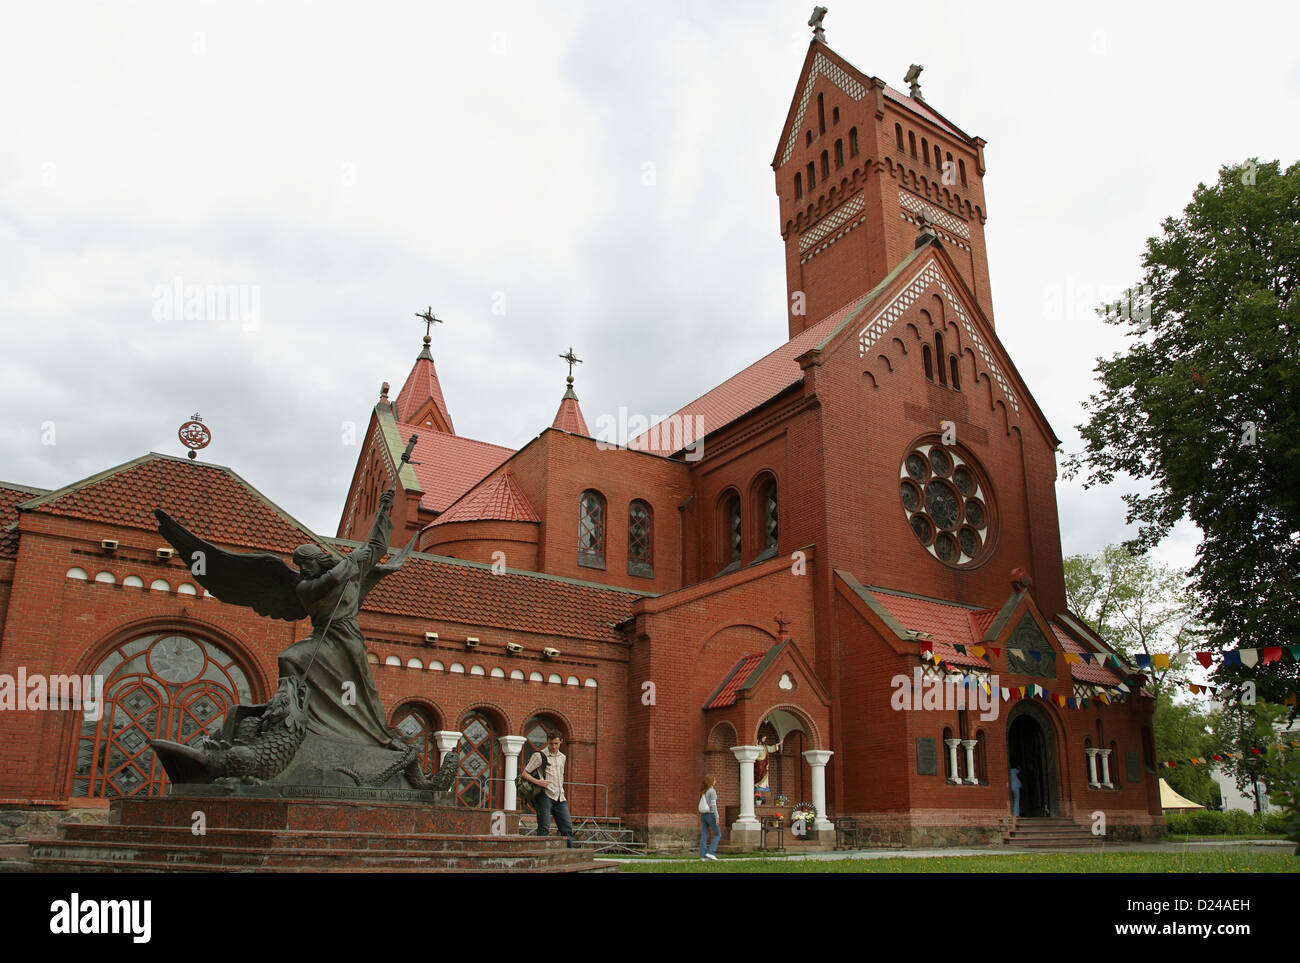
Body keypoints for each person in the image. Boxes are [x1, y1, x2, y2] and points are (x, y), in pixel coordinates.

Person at [523, 732, 576, 848]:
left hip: (560, 796)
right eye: (551, 743)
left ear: (561, 741)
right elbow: (524, 773)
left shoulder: (563, 757)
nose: (553, 746)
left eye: (556, 743)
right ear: (547, 741)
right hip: (545, 795)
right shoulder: (540, 755)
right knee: (544, 827)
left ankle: (570, 855)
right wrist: (538, 782)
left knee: (566, 826)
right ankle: (541, 855)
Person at [698, 774, 721, 861]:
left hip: (703, 815)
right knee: (718, 834)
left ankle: (702, 856)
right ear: (711, 781)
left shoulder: (703, 791)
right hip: (711, 814)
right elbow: (713, 805)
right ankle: (711, 852)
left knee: (704, 835)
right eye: (714, 780)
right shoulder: (712, 791)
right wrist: (717, 816)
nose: (715, 781)